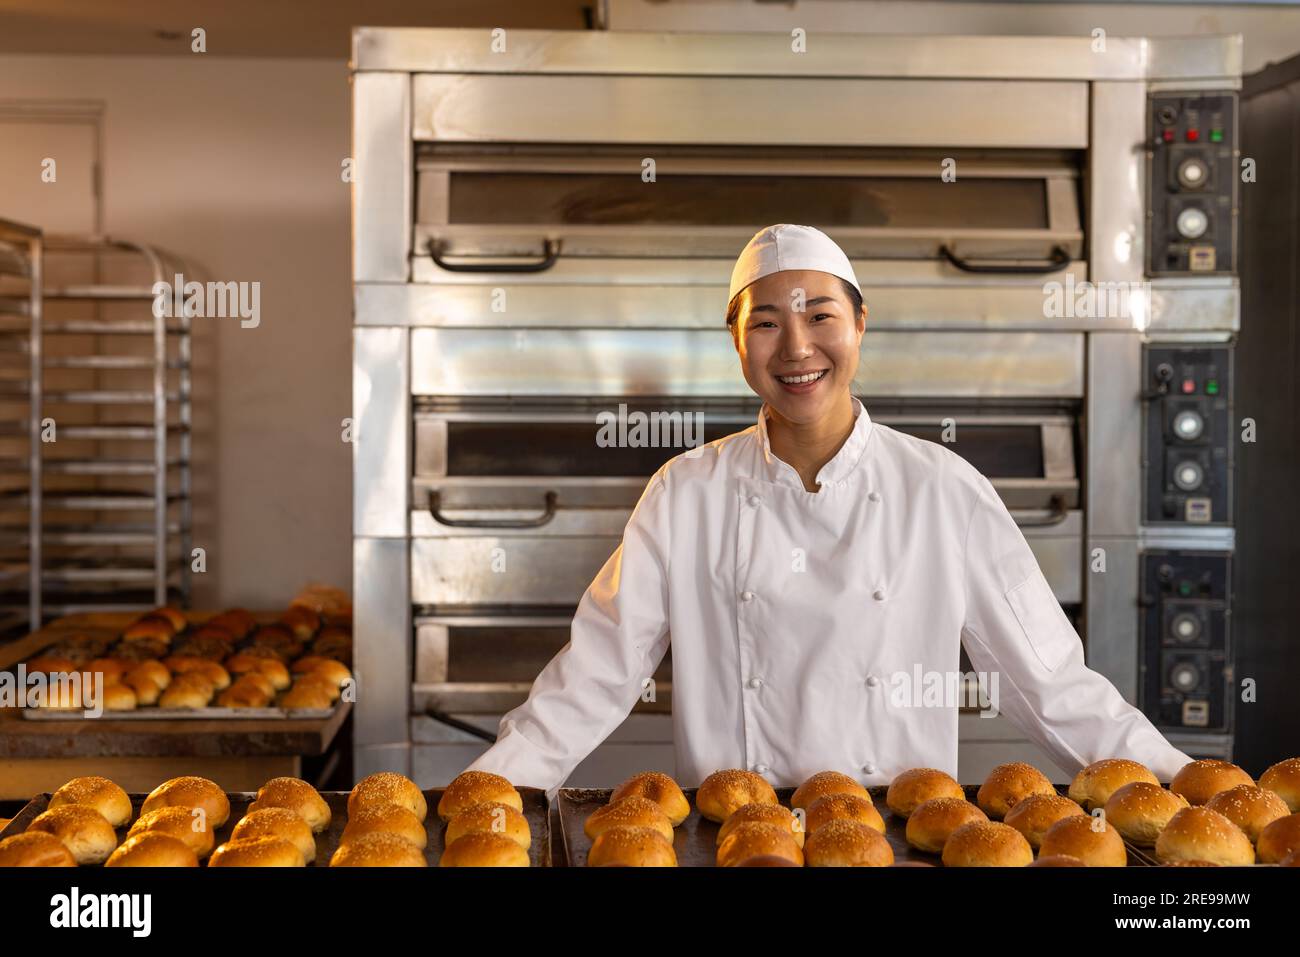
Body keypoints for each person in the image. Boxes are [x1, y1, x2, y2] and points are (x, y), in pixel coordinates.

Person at [465, 223, 1191, 797]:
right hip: (736, 837)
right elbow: (596, 671)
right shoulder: (686, 492)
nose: (798, 346)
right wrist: (486, 792)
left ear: (861, 323)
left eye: (821, 314)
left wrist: (1188, 787)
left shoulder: (942, 489)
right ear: (736, 340)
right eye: (767, 323)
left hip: (896, 837)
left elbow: (1051, 681)